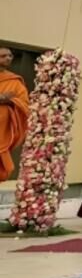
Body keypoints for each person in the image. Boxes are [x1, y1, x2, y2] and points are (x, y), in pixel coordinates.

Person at [0, 47, 30, 181]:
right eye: (3, 56)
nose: (8, 58)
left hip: (3, 130)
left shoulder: (15, 82)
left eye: (10, 56)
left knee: (4, 168)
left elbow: (26, 105)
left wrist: (11, 101)